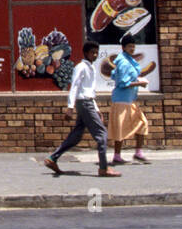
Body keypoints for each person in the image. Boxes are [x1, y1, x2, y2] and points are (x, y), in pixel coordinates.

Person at [43, 41, 120, 177]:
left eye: (96, 52)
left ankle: (53, 158)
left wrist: (96, 108)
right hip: (84, 103)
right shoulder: (81, 67)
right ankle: (103, 168)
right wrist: (70, 106)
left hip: (87, 102)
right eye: (92, 52)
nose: (95, 55)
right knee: (102, 134)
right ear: (85, 53)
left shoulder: (92, 68)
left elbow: (90, 91)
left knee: (76, 135)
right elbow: (75, 86)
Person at [110, 34, 151, 164]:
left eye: (133, 46)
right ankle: (117, 156)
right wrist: (140, 83)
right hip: (121, 100)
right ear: (123, 47)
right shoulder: (123, 62)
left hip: (129, 100)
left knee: (142, 122)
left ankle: (138, 152)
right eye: (129, 46)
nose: (132, 48)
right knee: (120, 128)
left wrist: (137, 80)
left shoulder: (128, 61)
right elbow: (122, 83)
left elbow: (115, 76)